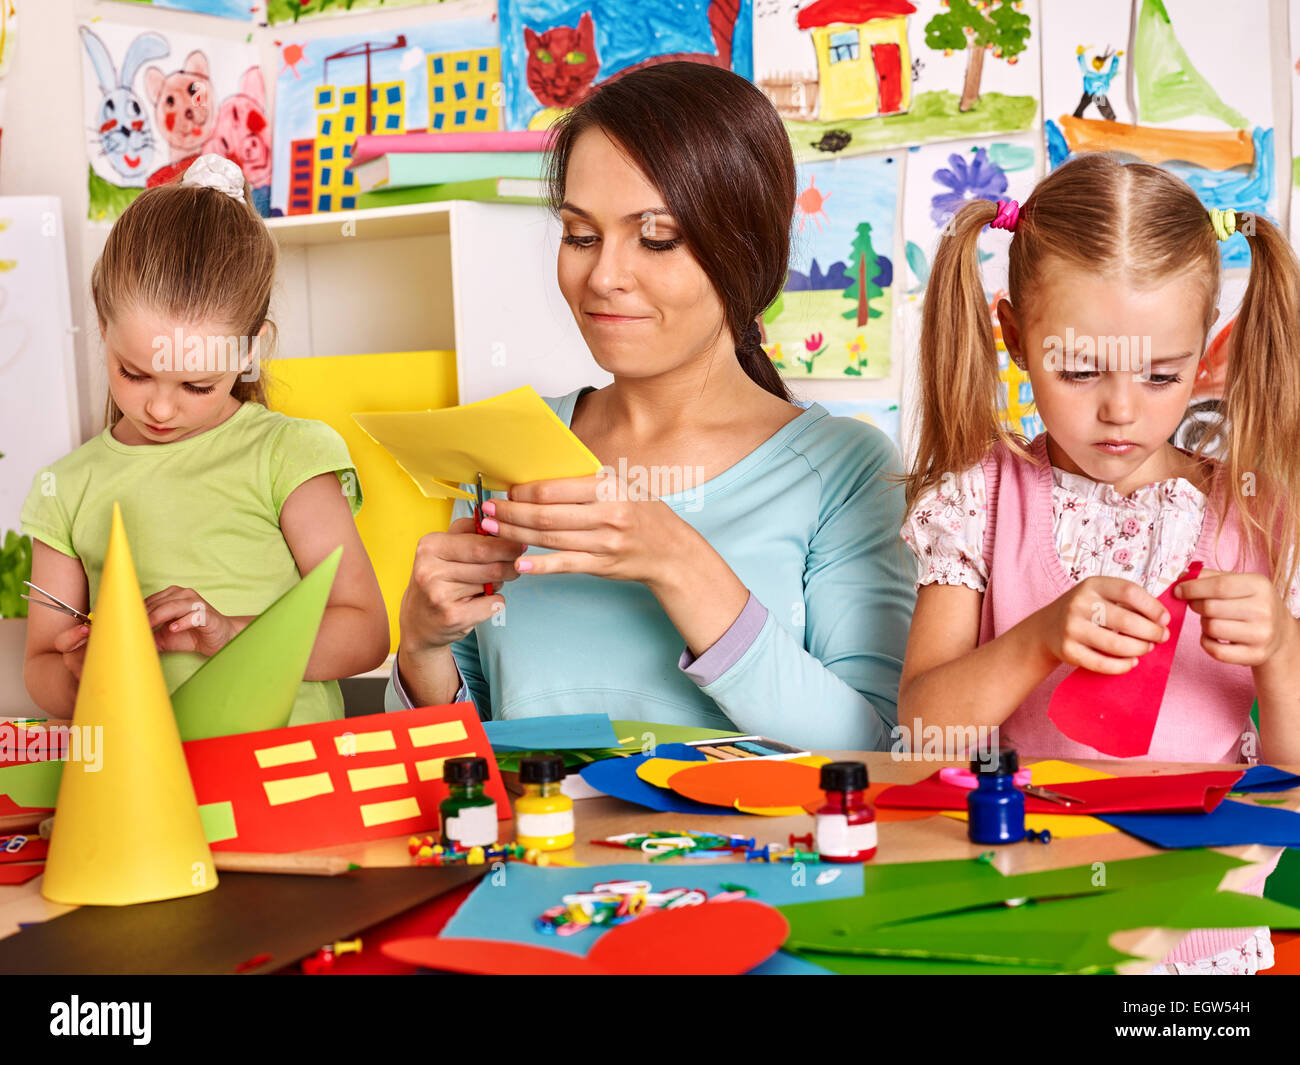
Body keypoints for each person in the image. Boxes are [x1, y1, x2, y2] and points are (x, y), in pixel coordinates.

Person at [386, 63, 916, 751]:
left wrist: (677, 561)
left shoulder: (844, 466)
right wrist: (422, 650)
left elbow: (875, 753)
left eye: (656, 237)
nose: (603, 276)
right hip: (539, 857)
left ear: (745, 249)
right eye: (580, 235)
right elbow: (449, 769)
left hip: (750, 860)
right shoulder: (510, 442)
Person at [899, 153, 1300, 973]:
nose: (1121, 411)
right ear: (1013, 336)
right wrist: (1037, 639)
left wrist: (1282, 650)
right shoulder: (979, 499)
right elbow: (921, 739)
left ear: (1205, 350)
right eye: (1079, 369)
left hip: (1202, 932)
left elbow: (1293, 783)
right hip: (1018, 915)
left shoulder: (1256, 512)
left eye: (1162, 375)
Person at [22, 154, 389, 727]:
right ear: (102, 324)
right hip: (146, 791)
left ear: (249, 351)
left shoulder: (287, 456)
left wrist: (229, 635)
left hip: (289, 782)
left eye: (197, 383)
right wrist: (88, 672)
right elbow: (42, 662)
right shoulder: (66, 487)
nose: (160, 407)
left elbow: (364, 632)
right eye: (134, 373)